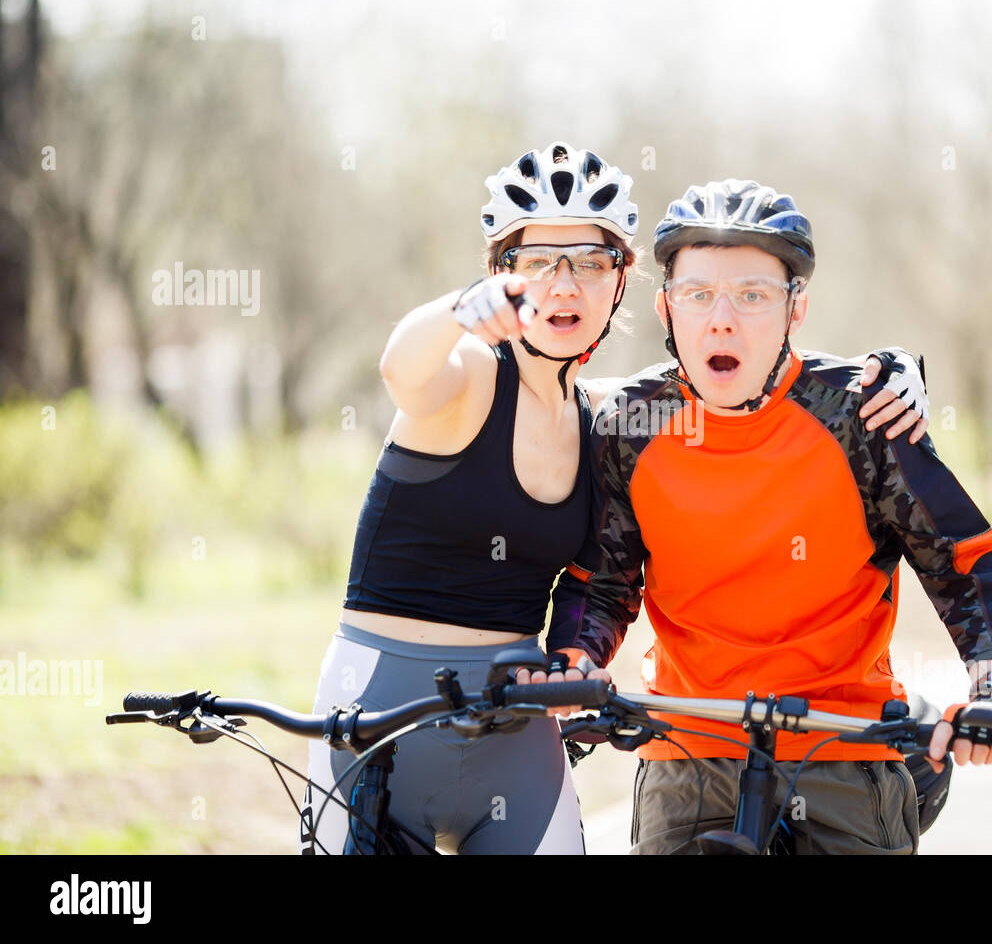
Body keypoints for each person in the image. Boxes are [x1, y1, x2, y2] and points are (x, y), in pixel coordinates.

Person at [297, 146, 930, 854]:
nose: (564, 285)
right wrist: (457, 312)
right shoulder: (471, 371)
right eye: (538, 262)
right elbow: (402, 371)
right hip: (383, 705)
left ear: (621, 283)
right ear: (500, 275)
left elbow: (739, 393)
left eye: (591, 263)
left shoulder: (608, 415)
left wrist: (892, 373)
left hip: (515, 715)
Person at [535, 178, 992, 855]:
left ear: (796, 309)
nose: (723, 319)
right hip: (688, 749)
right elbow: (603, 580)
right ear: (664, 308)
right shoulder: (630, 425)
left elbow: (966, 563)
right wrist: (573, 661)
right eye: (698, 294)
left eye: (753, 296)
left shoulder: (865, 417)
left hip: (844, 747)